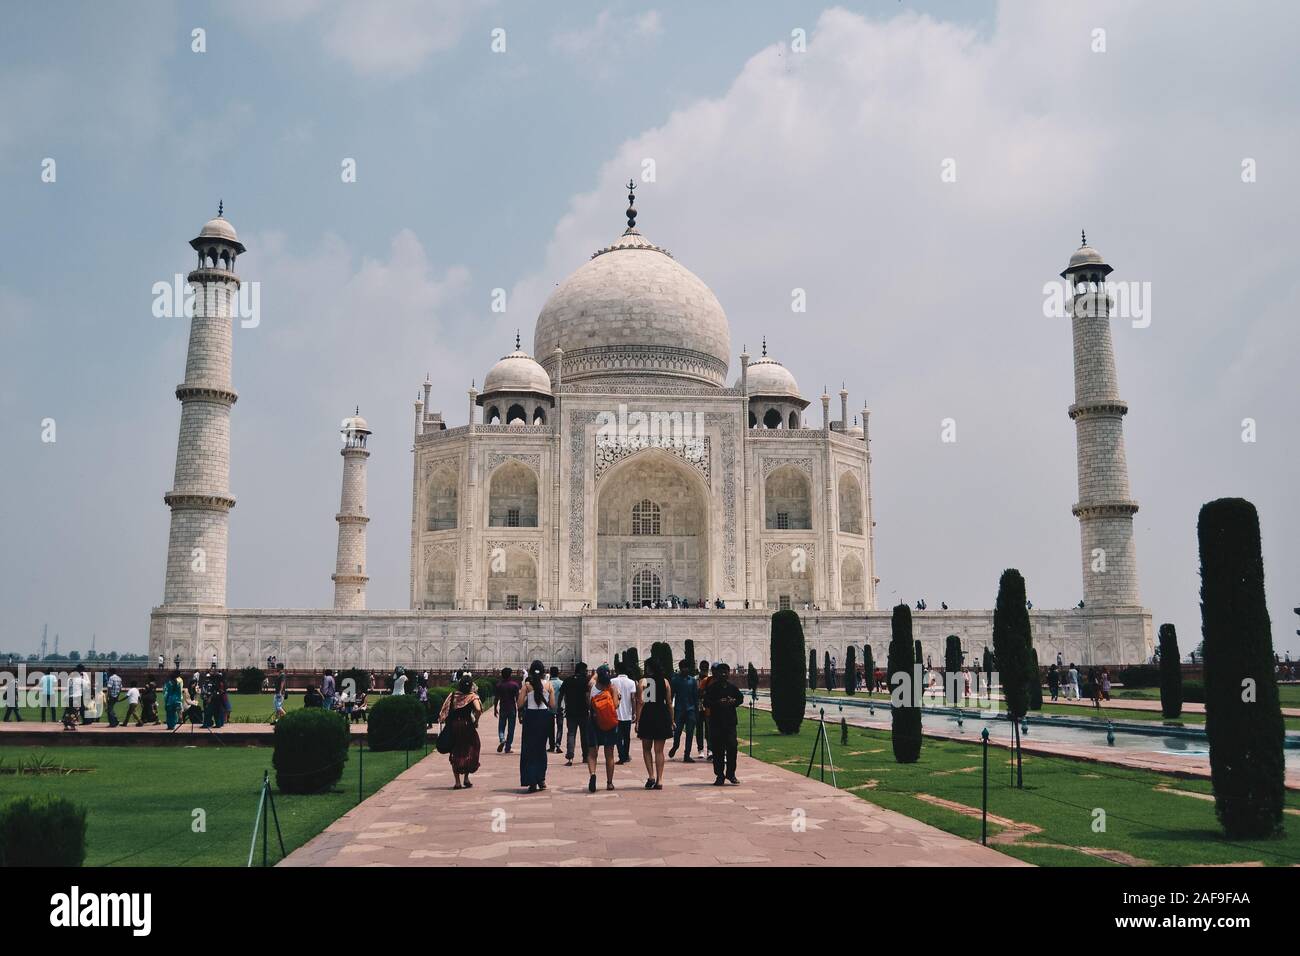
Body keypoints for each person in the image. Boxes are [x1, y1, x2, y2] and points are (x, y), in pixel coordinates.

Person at [439, 673, 483, 789]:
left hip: (454, 726)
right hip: (467, 725)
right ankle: (466, 778)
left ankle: (457, 782)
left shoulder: (453, 695)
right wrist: (476, 721)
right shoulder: (472, 696)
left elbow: (444, 712)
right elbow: (478, 709)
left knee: (455, 751)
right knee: (471, 748)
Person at [703, 663, 744, 785]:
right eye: (721, 672)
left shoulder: (732, 688)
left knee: (732, 748)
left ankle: (731, 774)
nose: (724, 674)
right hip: (716, 723)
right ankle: (720, 775)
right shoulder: (712, 688)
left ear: (729, 673)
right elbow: (706, 702)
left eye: (726, 672)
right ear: (717, 674)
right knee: (718, 750)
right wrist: (718, 703)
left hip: (730, 723)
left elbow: (740, 698)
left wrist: (733, 702)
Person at [636, 658, 673, 789]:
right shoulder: (665, 682)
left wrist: (637, 721)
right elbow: (669, 703)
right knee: (659, 751)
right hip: (661, 714)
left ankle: (651, 776)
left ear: (649, 668)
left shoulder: (644, 681)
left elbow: (641, 703)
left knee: (646, 749)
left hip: (648, 715)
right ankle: (660, 780)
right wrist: (672, 720)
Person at [518, 660, 554, 793]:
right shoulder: (549, 685)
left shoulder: (527, 685)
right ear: (543, 671)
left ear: (531, 671)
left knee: (529, 749)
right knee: (541, 749)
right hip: (543, 718)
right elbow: (552, 705)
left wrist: (528, 697)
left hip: (531, 718)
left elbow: (520, 704)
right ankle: (541, 779)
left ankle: (531, 780)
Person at [585, 665, 621, 792]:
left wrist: (597, 673)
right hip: (609, 723)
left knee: (592, 752)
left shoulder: (592, 685)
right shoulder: (612, 688)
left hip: (594, 722)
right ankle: (610, 783)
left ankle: (593, 775)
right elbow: (616, 705)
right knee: (609, 755)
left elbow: (588, 704)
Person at [668, 659, 698, 762]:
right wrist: (670, 709)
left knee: (690, 733)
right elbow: (671, 696)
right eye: (683, 667)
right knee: (677, 732)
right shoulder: (675, 680)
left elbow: (695, 697)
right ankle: (675, 746)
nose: (685, 669)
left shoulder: (692, 681)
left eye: (687, 667)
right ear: (680, 668)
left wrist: (696, 712)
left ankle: (687, 755)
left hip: (690, 710)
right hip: (679, 710)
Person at [562, 662, 590, 765]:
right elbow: (587, 696)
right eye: (586, 670)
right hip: (583, 712)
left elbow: (562, 694)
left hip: (571, 712)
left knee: (571, 734)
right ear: (582, 670)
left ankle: (570, 757)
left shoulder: (568, 680)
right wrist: (590, 707)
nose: (587, 672)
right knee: (584, 735)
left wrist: (562, 707)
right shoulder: (585, 681)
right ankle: (586, 757)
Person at [611, 662, 637, 764]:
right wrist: (634, 713)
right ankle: (625, 755)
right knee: (626, 737)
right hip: (627, 714)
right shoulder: (631, 682)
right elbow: (633, 699)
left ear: (617, 670)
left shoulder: (612, 681)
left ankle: (621, 755)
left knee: (618, 737)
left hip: (615, 713)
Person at [493, 666, 521, 753]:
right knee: (511, 729)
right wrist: (520, 711)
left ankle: (502, 739)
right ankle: (508, 747)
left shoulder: (499, 685)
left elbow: (496, 698)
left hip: (503, 708)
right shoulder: (515, 685)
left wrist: (495, 708)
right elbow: (517, 699)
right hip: (512, 708)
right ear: (510, 675)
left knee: (501, 726)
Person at [695, 660, 712, 758]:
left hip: (708, 707)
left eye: (705, 669)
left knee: (709, 730)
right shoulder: (695, 679)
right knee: (699, 730)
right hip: (698, 707)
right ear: (699, 669)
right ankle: (700, 750)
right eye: (702, 669)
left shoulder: (711, 679)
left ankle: (710, 749)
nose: (704, 671)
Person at [547, 666, 564, 753]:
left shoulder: (548, 683)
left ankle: (551, 745)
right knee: (560, 726)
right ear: (558, 673)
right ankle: (558, 743)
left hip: (549, 707)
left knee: (550, 727)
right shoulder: (561, 683)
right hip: (560, 707)